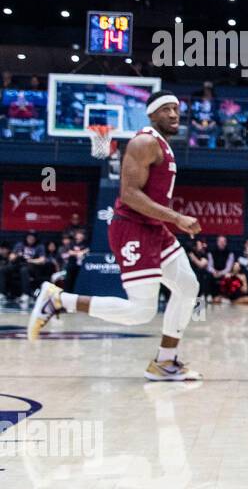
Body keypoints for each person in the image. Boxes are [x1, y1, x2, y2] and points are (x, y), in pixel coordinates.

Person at [27, 91, 204, 380]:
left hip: (153, 228)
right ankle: (58, 300)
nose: (173, 114)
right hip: (132, 226)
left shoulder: (164, 145)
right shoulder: (144, 142)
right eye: (166, 109)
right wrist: (177, 218)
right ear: (151, 114)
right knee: (140, 312)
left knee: (187, 286)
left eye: (176, 108)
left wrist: (169, 221)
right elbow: (129, 195)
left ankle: (165, 362)